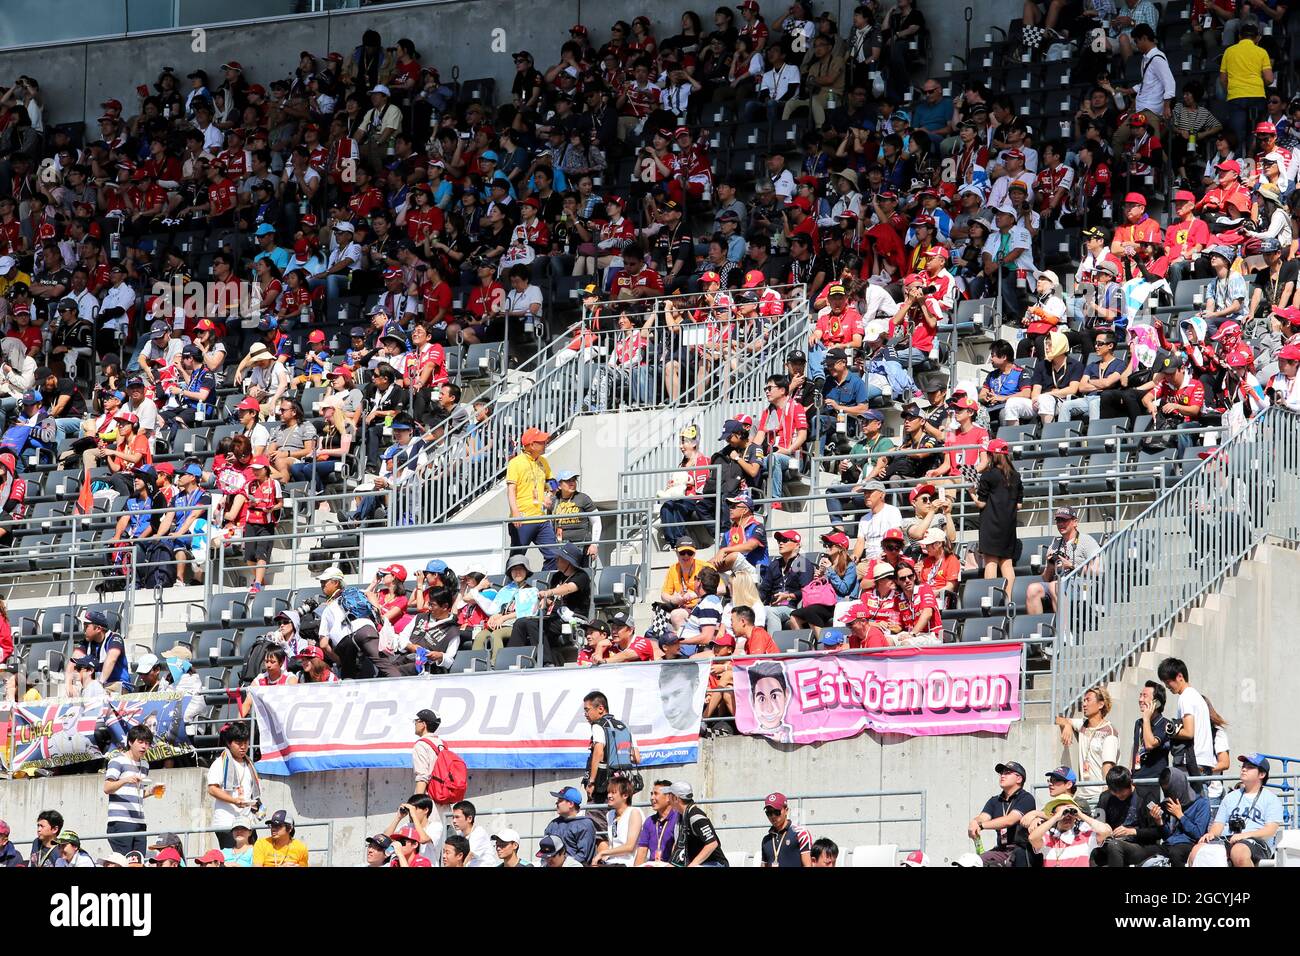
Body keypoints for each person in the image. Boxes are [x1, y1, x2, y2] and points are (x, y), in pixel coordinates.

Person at [1190, 754, 1285, 867]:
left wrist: (1244, 835)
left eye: (1250, 767)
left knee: (1238, 852)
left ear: (1262, 774)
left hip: (1256, 842)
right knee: (1197, 850)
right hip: (1229, 839)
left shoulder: (1271, 799)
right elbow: (1218, 825)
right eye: (1243, 766)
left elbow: (1270, 831)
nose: (1244, 769)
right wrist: (1211, 834)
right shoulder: (1230, 797)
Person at [1026, 507, 1102, 615]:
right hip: (1058, 584)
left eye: (1064, 520)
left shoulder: (1086, 541)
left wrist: (1071, 566)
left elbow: (1097, 571)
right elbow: (1046, 578)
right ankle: (1039, 630)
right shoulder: (1055, 544)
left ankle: (1064, 630)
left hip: (1081, 584)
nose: (1061, 524)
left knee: (1055, 586)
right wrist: (1050, 567)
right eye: (1058, 521)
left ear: (1075, 522)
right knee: (1032, 589)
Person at [1056, 686, 1121, 803]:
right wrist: (1067, 725)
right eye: (1083, 701)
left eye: (1088, 700)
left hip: (1099, 795)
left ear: (1101, 704)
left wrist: (1106, 796)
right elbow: (1058, 719)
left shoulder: (1109, 732)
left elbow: (1108, 767)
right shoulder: (1083, 724)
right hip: (1081, 796)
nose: (1084, 704)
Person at [972, 438, 1023, 585]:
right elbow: (1018, 506)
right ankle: (1009, 600)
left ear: (992, 455)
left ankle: (991, 601)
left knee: (991, 562)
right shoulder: (1016, 476)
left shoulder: (988, 476)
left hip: (990, 525)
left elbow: (981, 503)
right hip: (1008, 525)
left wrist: (972, 493)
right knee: (1007, 563)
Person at [1158, 657, 1214, 786]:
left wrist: (1170, 732)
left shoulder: (1185, 697)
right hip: (1203, 763)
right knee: (1200, 804)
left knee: (1187, 804)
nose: (1167, 686)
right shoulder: (1196, 696)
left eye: (1168, 681)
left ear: (1179, 676)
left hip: (1192, 763)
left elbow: (1189, 732)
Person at [968, 761, 1035, 867]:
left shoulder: (1026, 798)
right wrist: (974, 822)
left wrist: (981, 826)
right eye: (1002, 773)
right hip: (1002, 850)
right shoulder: (995, 801)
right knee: (973, 862)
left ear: (1019, 779)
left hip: (1022, 850)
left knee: (1015, 858)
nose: (1002, 775)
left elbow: (1010, 820)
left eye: (1007, 773)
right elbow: (983, 817)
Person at [582, 690, 642, 806]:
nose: (585, 714)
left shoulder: (598, 726)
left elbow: (599, 753)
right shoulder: (624, 727)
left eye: (587, 710)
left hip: (604, 787)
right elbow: (637, 758)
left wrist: (591, 782)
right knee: (621, 819)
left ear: (600, 708)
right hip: (625, 785)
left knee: (597, 820)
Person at [207, 721, 261, 849]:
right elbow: (212, 789)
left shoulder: (249, 764)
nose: (243, 747)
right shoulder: (219, 763)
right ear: (228, 743)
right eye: (238, 743)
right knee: (231, 860)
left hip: (247, 823)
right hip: (227, 823)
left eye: (245, 743)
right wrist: (234, 800)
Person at [103, 724, 154, 855]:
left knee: (139, 861)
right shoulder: (118, 761)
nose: (144, 746)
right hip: (121, 821)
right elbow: (107, 787)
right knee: (124, 861)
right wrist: (125, 780)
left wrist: (151, 792)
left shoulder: (145, 764)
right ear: (130, 742)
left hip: (140, 822)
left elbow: (136, 793)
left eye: (147, 743)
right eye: (140, 742)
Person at [1151, 767, 1213, 866]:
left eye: (1170, 790)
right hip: (1170, 844)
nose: (1169, 794)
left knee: (1175, 853)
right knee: (1148, 853)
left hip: (1191, 844)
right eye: (1165, 790)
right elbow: (1168, 836)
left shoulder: (1202, 803)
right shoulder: (1169, 804)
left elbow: (1198, 833)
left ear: (1178, 786)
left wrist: (1180, 816)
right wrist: (1159, 822)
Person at [1026, 796, 1113, 867]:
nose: (1067, 817)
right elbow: (1032, 838)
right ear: (1053, 815)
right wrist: (1056, 817)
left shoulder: (1084, 836)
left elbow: (1105, 831)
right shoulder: (1048, 836)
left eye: (1071, 814)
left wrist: (1080, 815)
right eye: (1063, 814)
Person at [668, 781, 728, 866]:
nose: (668, 799)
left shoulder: (695, 816)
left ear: (676, 798)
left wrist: (693, 864)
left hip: (715, 863)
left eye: (669, 795)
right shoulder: (681, 817)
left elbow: (712, 843)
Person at [592, 777, 644, 866]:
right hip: (611, 861)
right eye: (608, 792)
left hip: (628, 862)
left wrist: (603, 853)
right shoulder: (610, 814)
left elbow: (629, 847)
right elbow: (613, 844)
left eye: (613, 793)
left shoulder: (634, 812)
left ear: (625, 795)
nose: (609, 796)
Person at [544, 785, 598, 865]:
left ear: (570, 804)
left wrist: (564, 864)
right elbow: (546, 848)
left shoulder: (585, 824)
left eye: (560, 800)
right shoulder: (553, 824)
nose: (556, 803)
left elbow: (584, 856)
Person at [760, 792, 812, 867]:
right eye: (769, 813)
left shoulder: (800, 834)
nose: (773, 816)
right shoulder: (766, 840)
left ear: (786, 810)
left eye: (776, 812)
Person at [635, 779, 680, 866]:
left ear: (668, 798)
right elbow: (642, 851)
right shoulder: (649, 821)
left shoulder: (678, 819)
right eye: (651, 794)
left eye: (656, 794)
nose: (652, 798)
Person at [451, 800, 498, 867]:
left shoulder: (479, 832)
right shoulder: (460, 835)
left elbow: (470, 854)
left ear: (469, 818)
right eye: (453, 817)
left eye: (457, 817)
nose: (454, 821)